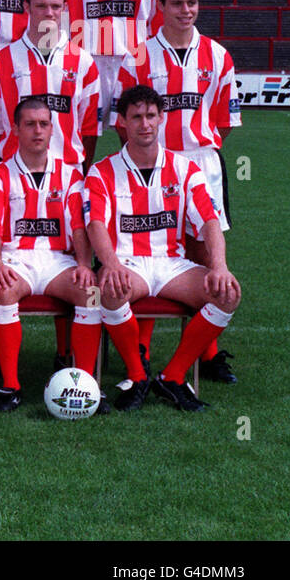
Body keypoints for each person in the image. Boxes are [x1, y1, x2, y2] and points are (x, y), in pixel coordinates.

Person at [110, 0, 243, 383]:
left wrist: (192, 148)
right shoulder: (138, 56)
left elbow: (223, 121)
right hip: (153, 162)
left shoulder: (219, 55)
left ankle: (208, 353)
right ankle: (143, 349)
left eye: (192, 3)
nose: (186, 11)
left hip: (200, 162)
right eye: (177, 4)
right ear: (160, 8)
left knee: (205, 255)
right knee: (149, 247)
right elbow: (124, 120)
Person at [83, 85, 241, 411]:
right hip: (128, 262)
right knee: (110, 290)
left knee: (227, 293)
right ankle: (137, 375)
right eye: (136, 117)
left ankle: (172, 376)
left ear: (161, 119)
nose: (144, 124)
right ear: (123, 123)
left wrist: (220, 267)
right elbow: (95, 224)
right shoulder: (101, 171)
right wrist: (110, 264)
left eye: (151, 116)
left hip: (171, 263)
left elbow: (210, 223)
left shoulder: (186, 170)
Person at [0, 98, 98, 412]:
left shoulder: (71, 174)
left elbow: (79, 227)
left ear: (53, 129)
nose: (38, 130)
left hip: (57, 260)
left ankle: (86, 383)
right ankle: (10, 385)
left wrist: (85, 265)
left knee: (92, 294)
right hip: (14, 259)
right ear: (17, 129)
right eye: (30, 124)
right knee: (2, 290)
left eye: (44, 124)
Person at [0, 0, 101, 169]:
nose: (49, 13)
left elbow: (89, 128)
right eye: (41, 6)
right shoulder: (2, 60)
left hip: (67, 170)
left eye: (55, 6)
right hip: (14, 169)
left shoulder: (83, 61)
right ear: (27, 7)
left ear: (64, 8)